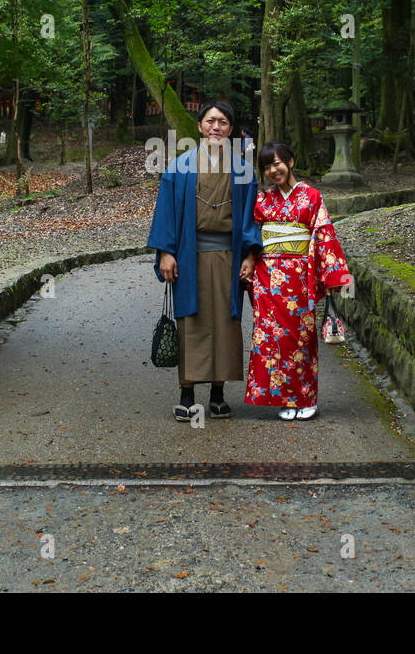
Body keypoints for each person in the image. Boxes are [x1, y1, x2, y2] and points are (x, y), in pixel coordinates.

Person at [147, 101, 261, 421]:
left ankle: (218, 393)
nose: (216, 127)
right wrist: (167, 252)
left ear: (231, 130)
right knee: (191, 323)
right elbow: (166, 214)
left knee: (226, 324)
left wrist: (251, 256)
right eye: (210, 121)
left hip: (228, 256)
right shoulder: (178, 169)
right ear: (199, 126)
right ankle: (187, 392)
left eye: (223, 122)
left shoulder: (243, 171)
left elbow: (252, 218)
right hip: (189, 256)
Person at [241, 140, 351, 421]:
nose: (272, 170)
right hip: (268, 277)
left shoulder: (312, 197)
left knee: (301, 338)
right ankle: (284, 398)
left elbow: (324, 234)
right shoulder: (263, 200)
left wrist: (332, 275)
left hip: (300, 277)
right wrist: (250, 262)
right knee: (269, 337)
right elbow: (253, 235)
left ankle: (305, 397)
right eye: (266, 167)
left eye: (277, 163)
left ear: (290, 162)